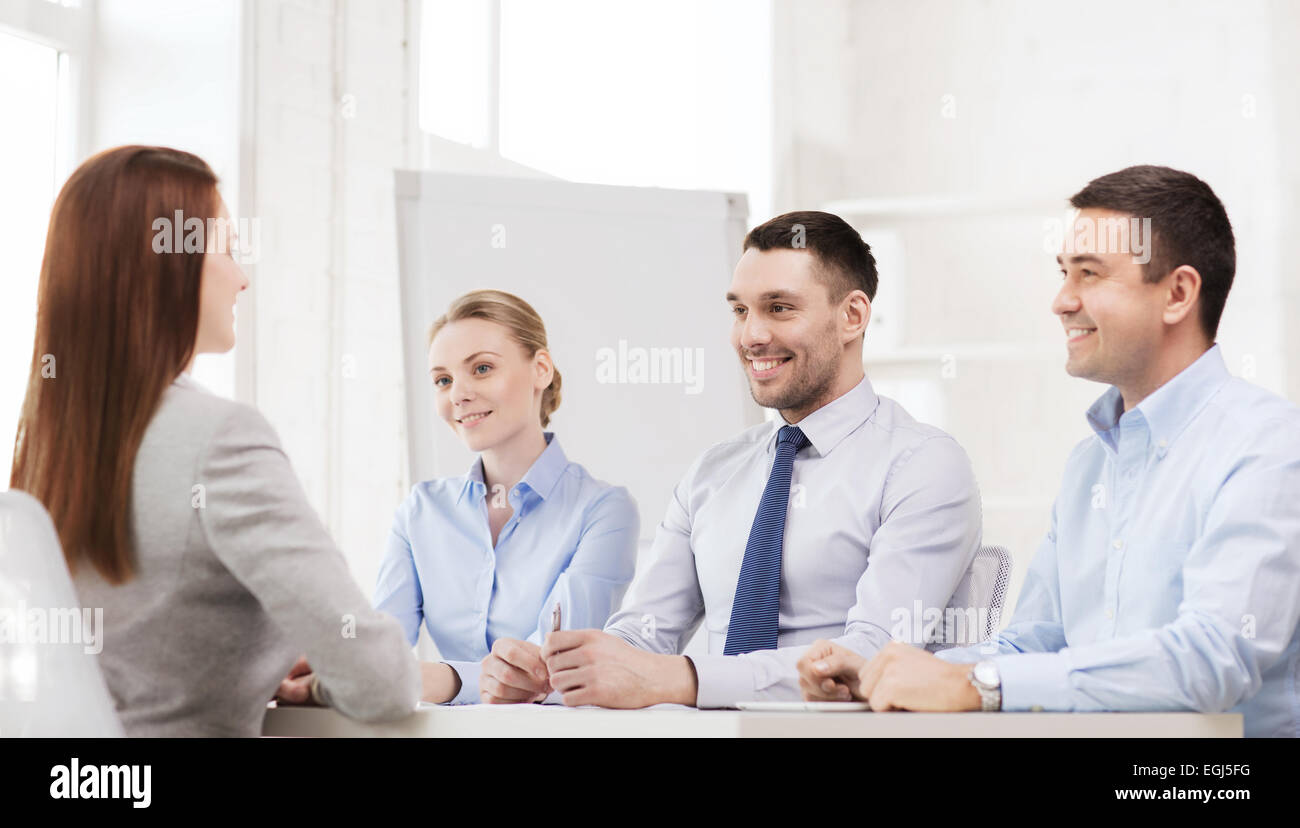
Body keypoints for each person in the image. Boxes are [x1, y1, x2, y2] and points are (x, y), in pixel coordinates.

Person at [797, 165, 1300, 739]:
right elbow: (1037, 639)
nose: (1062, 301)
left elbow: (1212, 661)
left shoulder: (1268, 446)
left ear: (1178, 294)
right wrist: (890, 673)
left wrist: (980, 687)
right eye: (1064, 273)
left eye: (1089, 274)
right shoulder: (1092, 465)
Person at [9, 145, 419, 736]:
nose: (242, 277)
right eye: (226, 248)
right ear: (164, 266)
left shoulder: (48, 446)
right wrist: (325, 680)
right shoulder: (221, 439)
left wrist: (260, 665)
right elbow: (384, 682)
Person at [539, 211, 983, 708]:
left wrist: (682, 680)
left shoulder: (922, 465)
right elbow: (643, 638)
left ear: (852, 317)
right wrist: (559, 675)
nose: (750, 336)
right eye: (740, 311)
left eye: (778, 308)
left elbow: (870, 658)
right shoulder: (713, 472)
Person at [373, 290, 639, 704]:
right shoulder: (421, 511)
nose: (457, 394)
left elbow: (546, 670)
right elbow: (381, 652)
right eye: (443, 380)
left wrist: (445, 680)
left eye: (481, 369)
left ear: (541, 370)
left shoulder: (603, 511)